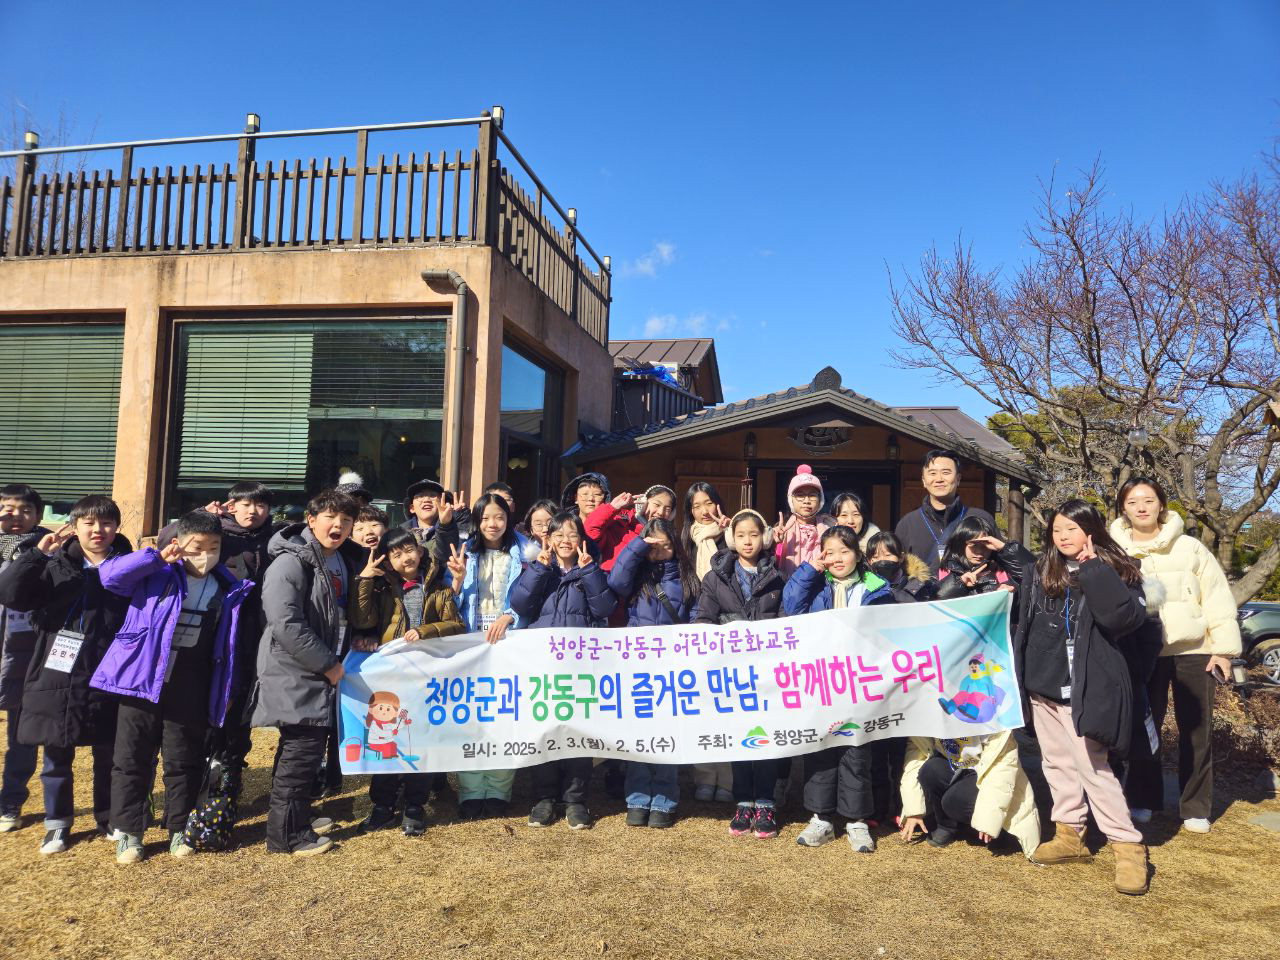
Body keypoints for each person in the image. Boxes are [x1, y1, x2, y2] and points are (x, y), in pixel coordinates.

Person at [91, 510, 253, 864]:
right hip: (142, 678)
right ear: (180, 543)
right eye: (198, 546)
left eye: (213, 547)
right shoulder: (156, 573)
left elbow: (227, 645)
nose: (205, 555)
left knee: (184, 759)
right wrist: (154, 557)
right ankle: (130, 832)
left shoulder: (229, 586)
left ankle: (179, 826)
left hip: (190, 681)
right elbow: (110, 577)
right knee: (131, 758)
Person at [1013, 499, 1155, 896]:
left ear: (1091, 530)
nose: (1062, 536)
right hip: (1044, 683)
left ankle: (1127, 845)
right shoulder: (1043, 569)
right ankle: (1070, 833)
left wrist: (1093, 568)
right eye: (1057, 530)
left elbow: (1121, 619)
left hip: (1086, 687)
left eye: (1071, 529)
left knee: (1092, 765)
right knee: (1056, 762)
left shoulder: (1116, 570)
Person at [0, 496, 131, 855]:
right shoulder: (55, 564)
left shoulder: (129, 566)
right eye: (88, 523)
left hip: (111, 670)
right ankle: (57, 824)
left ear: (116, 527)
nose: (97, 530)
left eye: (105, 523)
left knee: (110, 753)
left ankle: (109, 819)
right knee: (57, 753)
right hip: (57, 669)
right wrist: (34, 556)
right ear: (74, 527)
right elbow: (11, 594)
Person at [1110, 477, 1240, 834]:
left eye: (1148, 500)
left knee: (1197, 730)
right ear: (1123, 507)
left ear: (1161, 505)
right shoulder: (1114, 549)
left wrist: (1225, 650)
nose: (1141, 507)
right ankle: (1143, 798)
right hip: (1140, 651)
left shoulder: (1190, 548)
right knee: (1143, 728)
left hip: (1194, 650)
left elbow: (1216, 597)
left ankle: (1195, 806)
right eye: (1133, 501)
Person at [251, 489, 362, 856]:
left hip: (314, 670)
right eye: (331, 517)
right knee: (300, 753)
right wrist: (327, 664)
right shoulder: (291, 562)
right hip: (296, 669)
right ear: (311, 520)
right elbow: (285, 621)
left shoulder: (337, 560)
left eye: (346, 521)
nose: (339, 525)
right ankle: (286, 837)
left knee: (301, 753)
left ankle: (296, 818)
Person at [782, 525, 894, 853]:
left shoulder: (877, 588)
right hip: (822, 681)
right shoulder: (816, 586)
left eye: (845, 551)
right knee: (821, 747)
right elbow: (792, 608)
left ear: (858, 555)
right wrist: (809, 570)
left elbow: (887, 630)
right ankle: (821, 818)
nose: (838, 558)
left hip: (860, 682)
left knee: (856, 751)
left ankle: (856, 820)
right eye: (830, 552)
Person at [350, 528, 464, 836]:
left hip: (426, 677)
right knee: (386, 739)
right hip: (389, 676)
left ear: (421, 550)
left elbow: (457, 625)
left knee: (420, 741)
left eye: (409, 550)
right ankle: (382, 806)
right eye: (397, 555)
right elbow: (362, 621)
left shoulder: (438, 588)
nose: (406, 558)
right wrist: (364, 580)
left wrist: (425, 632)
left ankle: (415, 806)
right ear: (388, 562)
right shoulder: (382, 589)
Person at [509, 511, 616, 830]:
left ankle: (575, 800)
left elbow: (605, 608)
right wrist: (540, 568)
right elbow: (520, 604)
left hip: (581, 667)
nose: (565, 541)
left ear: (581, 539)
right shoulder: (538, 568)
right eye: (558, 535)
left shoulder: (591, 570)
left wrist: (590, 572)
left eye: (571, 534)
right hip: (543, 666)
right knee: (544, 731)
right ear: (548, 539)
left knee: (578, 733)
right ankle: (544, 798)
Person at [692, 509, 786, 838]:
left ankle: (766, 803)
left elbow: (786, 619)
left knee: (766, 737)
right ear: (732, 537)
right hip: (730, 669)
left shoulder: (778, 574)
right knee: (739, 736)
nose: (748, 541)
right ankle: (743, 802)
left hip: (767, 670)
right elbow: (704, 618)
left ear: (765, 537)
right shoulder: (716, 576)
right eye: (741, 534)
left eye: (754, 534)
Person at [607, 518, 697, 828]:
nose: (659, 550)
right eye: (653, 545)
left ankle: (665, 800)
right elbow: (615, 582)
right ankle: (637, 798)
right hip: (638, 668)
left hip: (672, 671)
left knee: (668, 736)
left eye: (665, 545)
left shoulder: (687, 581)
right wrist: (638, 546)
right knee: (640, 736)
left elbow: (696, 620)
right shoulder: (636, 577)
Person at [444, 493, 528, 818]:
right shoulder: (465, 553)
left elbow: (532, 596)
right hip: (471, 644)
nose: (493, 524)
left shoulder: (525, 554)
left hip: (509, 644)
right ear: (477, 521)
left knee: (505, 715)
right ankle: (470, 790)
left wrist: (511, 616)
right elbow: (446, 601)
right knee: (471, 717)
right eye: (486, 518)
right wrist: (457, 579)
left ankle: (498, 789)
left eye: (499, 517)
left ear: (508, 520)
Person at [897, 731, 1041, 859]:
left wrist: (989, 821)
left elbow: (1001, 773)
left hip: (984, 774)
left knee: (953, 801)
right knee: (930, 770)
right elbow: (917, 757)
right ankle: (946, 825)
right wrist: (913, 810)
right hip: (955, 767)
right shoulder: (929, 711)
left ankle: (1000, 830)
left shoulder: (993, 718)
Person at [680, 482, 734, 802]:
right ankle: (704, 776)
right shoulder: (685, 541)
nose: (704, 510)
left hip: (726, 628)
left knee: (726, 704)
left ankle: (726, 779)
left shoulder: (730, 537)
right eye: (697, 505)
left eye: (709, 502)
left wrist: (728, 536)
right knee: (700, 706)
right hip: (694, 630)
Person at [0, 483, 50, 833]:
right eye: (6, 508)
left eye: (24, 510)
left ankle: (10, 801)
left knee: (21, 732)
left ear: (38, 514)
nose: (15, 516)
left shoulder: (49, 547)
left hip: (23, 650)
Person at [894, 450, 997, 575]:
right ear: (924, 481)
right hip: (923, 594)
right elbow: (897, 573)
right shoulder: (907, 523)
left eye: (946, 473)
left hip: (972, 593)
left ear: (958, 478)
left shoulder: (981, 518)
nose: (939, 479)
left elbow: (999, 563)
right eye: (932, 473)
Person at [584, 484, 677, 572]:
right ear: (643, 503)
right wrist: (612, 508)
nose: (661, 512)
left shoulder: (668, 538)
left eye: (667, 509)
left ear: (672, 515)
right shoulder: (619, 522)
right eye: (657, 505)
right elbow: (590, 535)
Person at [933, 516, 1028, 600]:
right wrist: (958, 583)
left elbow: (1030, 575)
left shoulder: (1000, 572)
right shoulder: (945, 571)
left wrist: (1004, 548)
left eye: (984, 546)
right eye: (973, 545)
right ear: (961, 544)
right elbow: (931, 601)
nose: (979, 552)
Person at [772, 465, 834, 577]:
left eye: (812, 495)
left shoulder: (830, 530)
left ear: (821, 499)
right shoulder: (781, 531)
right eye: (800, 496)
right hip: (790, 590)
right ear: (791, 499)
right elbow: (771, 565)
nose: (806, 501)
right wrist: (775, 544)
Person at [401, 479, 463, 565]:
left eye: (433, 496)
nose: (426, 500)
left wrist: (446, 524)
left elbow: (445, 554)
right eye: (420, 496)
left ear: (442, 503)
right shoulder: (401, 532)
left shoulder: (452, 527)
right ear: (412, 508)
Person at [865, 531, 934, 604]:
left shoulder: (919, 585)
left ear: (901, 557)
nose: (882, 560)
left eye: (888, 555)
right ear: (869, 561)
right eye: (876, 557)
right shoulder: (863, 588)